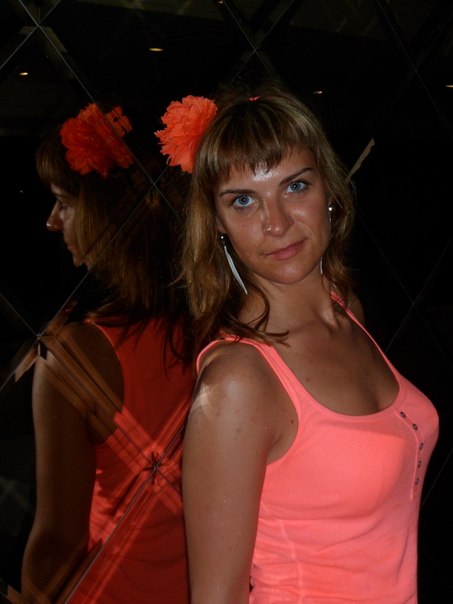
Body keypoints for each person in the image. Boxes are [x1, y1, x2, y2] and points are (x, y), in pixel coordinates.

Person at [155, 81, 440, 603]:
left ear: (328, 188)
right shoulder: (239, 382)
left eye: (295, 186)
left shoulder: (345, 310)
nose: (277, 223)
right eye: (244, 201)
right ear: (217, 222)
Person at [19, 101, 194, 603]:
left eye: (64, 202)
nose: (52, 221)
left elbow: (58, 542)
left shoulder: (76, 356)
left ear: (111, 214)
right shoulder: (226, 325)